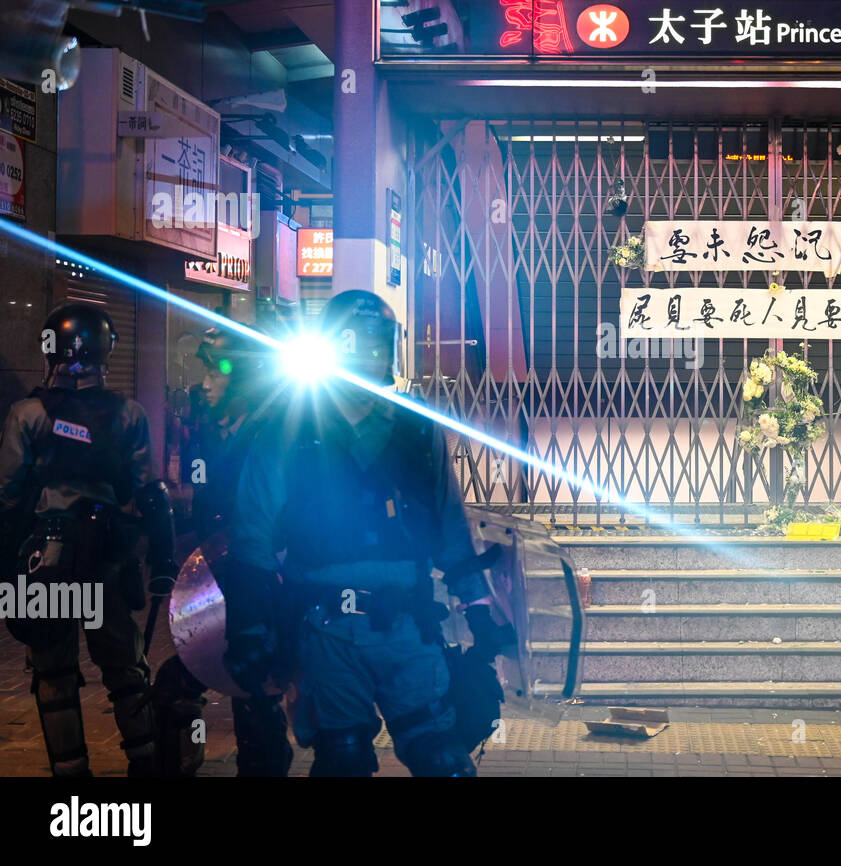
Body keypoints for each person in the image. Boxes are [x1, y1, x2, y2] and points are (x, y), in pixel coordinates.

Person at [222, 290, 511, 777]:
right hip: (326, 629)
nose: (368, 358)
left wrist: (479, 612)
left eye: (377, 347)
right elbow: (252, 538)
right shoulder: (287, 425)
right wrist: (249, 630)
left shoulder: (418, 426)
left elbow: (450, 530)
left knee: (442, 758)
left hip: (405, 624)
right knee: (344, 759)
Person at [0, 302, 177, 777]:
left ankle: (71, 774)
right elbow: (150, 493)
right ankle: (146, 761)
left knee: (53, 672)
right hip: (108, 554)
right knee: (125, 666)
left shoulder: (28, 413)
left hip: (48, 555)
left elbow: (8, 497)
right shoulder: (128, 414)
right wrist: (163, 560)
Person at [151, 324, 295, 777]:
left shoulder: (276, 435)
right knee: (184, 685)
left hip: (264, 584)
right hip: (222, 577)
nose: (205, 384)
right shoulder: (215, 429)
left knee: (255, 694)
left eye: (217, 375)